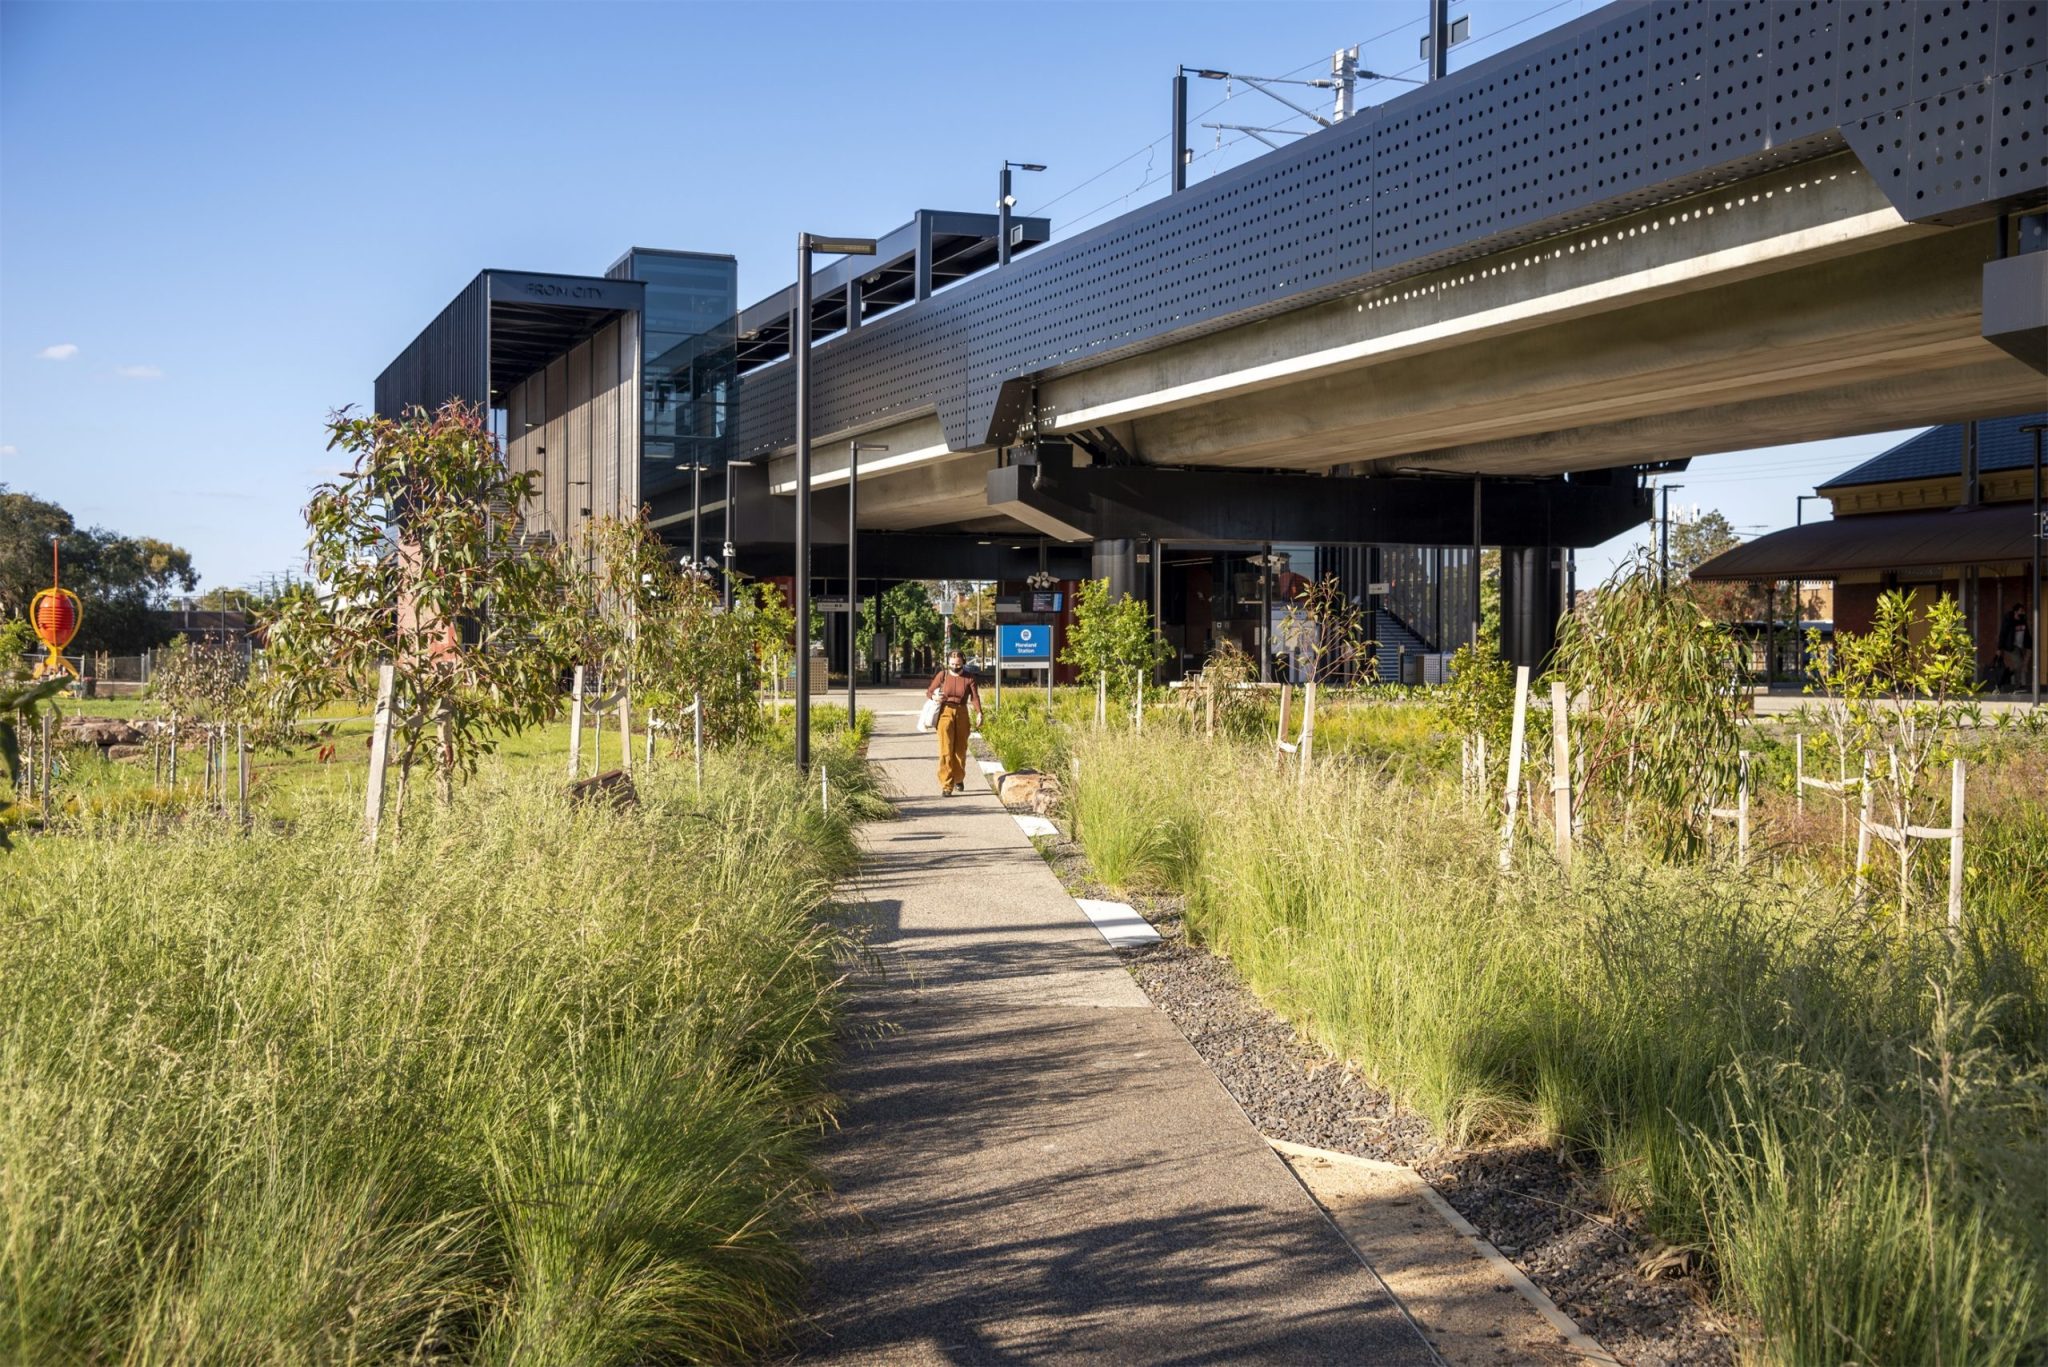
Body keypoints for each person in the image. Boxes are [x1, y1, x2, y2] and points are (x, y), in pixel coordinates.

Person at [926, 648, 984, 796]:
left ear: (963, 662)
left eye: (958, 664)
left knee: (960, 749)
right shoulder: (943, 675)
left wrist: (979, 712)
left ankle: (958, 777)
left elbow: (975, 697)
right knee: (945, 749)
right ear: (948, 663)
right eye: (952, 664)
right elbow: (929, 691)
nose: (954, 667)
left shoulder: (969, 677)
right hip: (945, 712)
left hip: (962, 712)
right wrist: (934, 697)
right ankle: (946, 784)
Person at [1998, 604, 2033, 692]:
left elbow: (2027, 634)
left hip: (2021, 646)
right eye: (2021, 611)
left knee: (2020, 665)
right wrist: (1999, 648)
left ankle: (2009, 675)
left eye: (2023, 611)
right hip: (2012, 646)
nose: (2023, 613)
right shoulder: (2009, 621)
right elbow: (2003, 634)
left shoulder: (2023, 621)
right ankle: (2017, 686)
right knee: (2019, 664)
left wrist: (2029, 645)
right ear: (2016, 612)